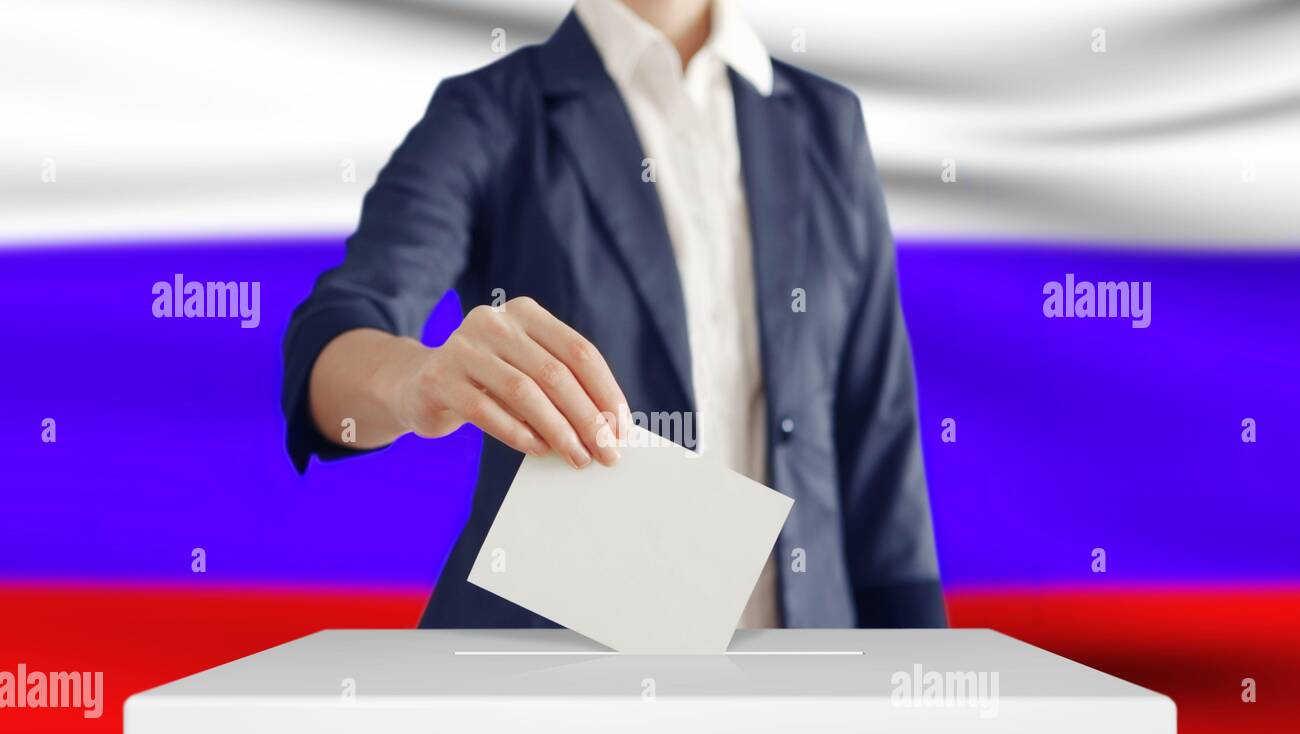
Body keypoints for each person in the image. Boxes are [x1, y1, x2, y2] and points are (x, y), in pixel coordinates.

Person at [281, 0, 946, 629]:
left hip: (801, 668)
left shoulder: (828, 124)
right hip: (565, 674)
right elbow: (335, 336)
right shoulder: (492, 112)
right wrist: (418, 381)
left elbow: (878, 439)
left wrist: (915, 698)